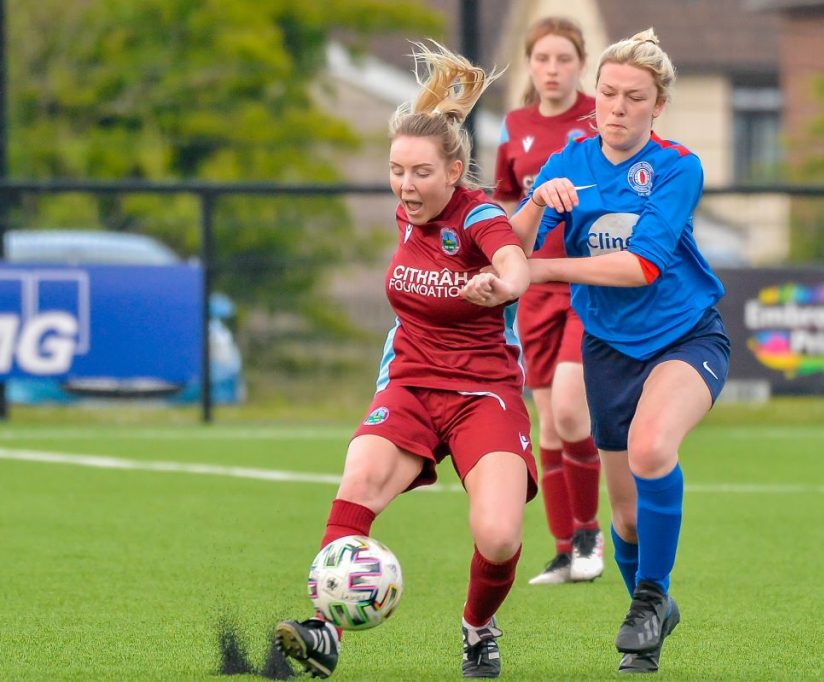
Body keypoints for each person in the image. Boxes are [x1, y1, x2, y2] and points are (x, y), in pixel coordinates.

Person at [274, 41, 535, 680]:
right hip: (413, 381)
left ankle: (477, 629)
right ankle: (327, 629)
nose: (405, 185)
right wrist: (426, 123)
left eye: (420, 172)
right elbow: (419, 145)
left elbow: (514, 262)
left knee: (499, 536)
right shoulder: (408, 211)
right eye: (397, 170)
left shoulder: (478, 216)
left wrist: (501, 286)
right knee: (359, 475)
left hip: (483, 392)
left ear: (454, 173)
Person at [487, 28, 732, 674]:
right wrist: (537, 200)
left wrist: (544, 271)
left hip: (686, 337)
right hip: (609, 351)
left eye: (635, 98)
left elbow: (642, 267)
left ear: (658, 107)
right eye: (610, 94)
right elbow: (507, 250)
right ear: (595, 97)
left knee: (654, 447)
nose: (618, 108)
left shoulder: (678, 166)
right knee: (625, 520)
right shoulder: (570, 161)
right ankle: (650, 615)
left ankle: (650, 597)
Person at [492, 16, 603, 586]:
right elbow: (509, 215)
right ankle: (564, 551)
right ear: (530, 65)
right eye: (542, 59)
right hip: (534, 290)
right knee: (548, 428)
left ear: (581, 63)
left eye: (563, 59)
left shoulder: (597, 121)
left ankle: (589, 535)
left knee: (568, 408)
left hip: (584, 284)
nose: (553, 70)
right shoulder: (515, 125)